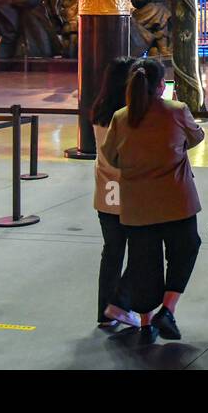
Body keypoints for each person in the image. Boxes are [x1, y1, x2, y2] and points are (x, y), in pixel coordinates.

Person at [101, 58, 204, 343]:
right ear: (162, 86)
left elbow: (110, 156)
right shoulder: (176, 111)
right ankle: (167, 310)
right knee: (185, 250)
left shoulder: (121, 117)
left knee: (145, 264)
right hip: (176, 200)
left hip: (137, 205)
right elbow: (196, 137)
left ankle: (146, 324)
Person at [90, 57, 137, 328]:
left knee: (112, 251)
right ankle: (118, 304)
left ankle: (104, 311)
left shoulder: (100, 110)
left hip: (106, 191)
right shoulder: (127, 116)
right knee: (144, 251)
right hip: (130, 190)